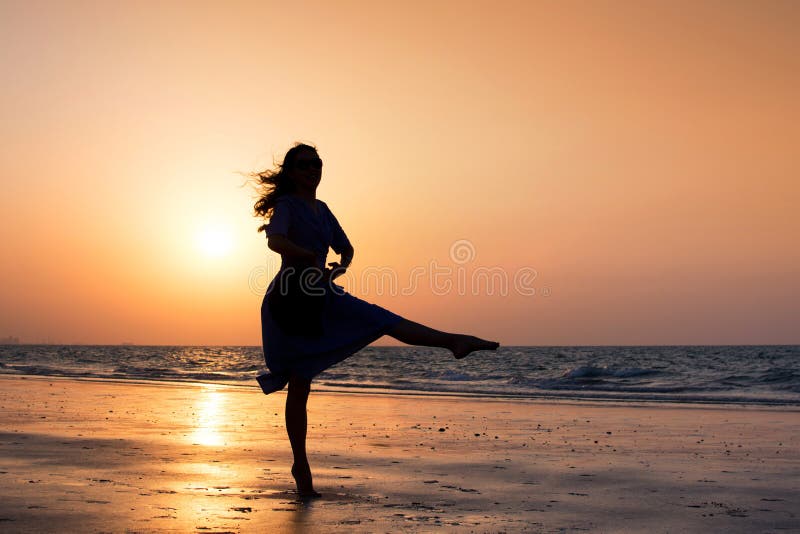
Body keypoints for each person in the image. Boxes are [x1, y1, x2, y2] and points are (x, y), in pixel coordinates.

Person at [253, 142, 499, 498]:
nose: (313, 169)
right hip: (290, 297)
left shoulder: (323, 210)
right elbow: (275, 240)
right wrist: (305, 254)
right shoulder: (286, 206)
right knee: (299, 380)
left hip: (321, 293)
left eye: (317, 163)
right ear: (291, 172)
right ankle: (301, 464)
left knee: (382, 319)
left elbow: (347, 248)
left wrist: (339, 268)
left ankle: (453, 341)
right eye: (305, 164)